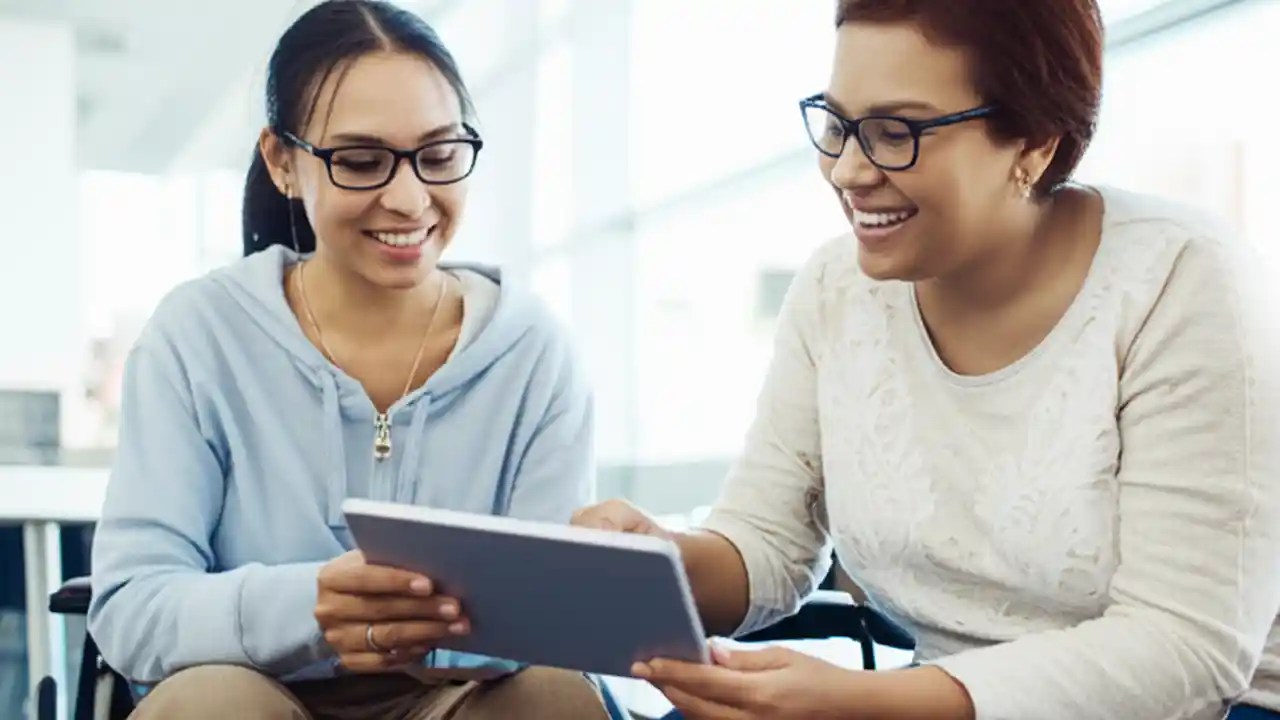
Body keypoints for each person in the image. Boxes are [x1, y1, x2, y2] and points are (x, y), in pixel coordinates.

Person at [572, 1, 1280, 718]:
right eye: (838, 124)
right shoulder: (835, 290)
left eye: (894, 132)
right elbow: (768, 544)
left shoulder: (1181, 280)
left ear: (1034, 142)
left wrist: (870, 705)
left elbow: (1185, 648)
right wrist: (662, 563)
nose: (847, 169)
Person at [87, 2, 612, 718]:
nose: (408, 198)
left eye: (439, 155)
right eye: (360, 162)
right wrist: (309, 608)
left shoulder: (532, 353)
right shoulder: (198, 336)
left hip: (457, 697)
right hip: (255, 689)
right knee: (215, 706)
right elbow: (132, 608)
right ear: (282, 162)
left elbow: (552, 618)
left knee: (557, 697)